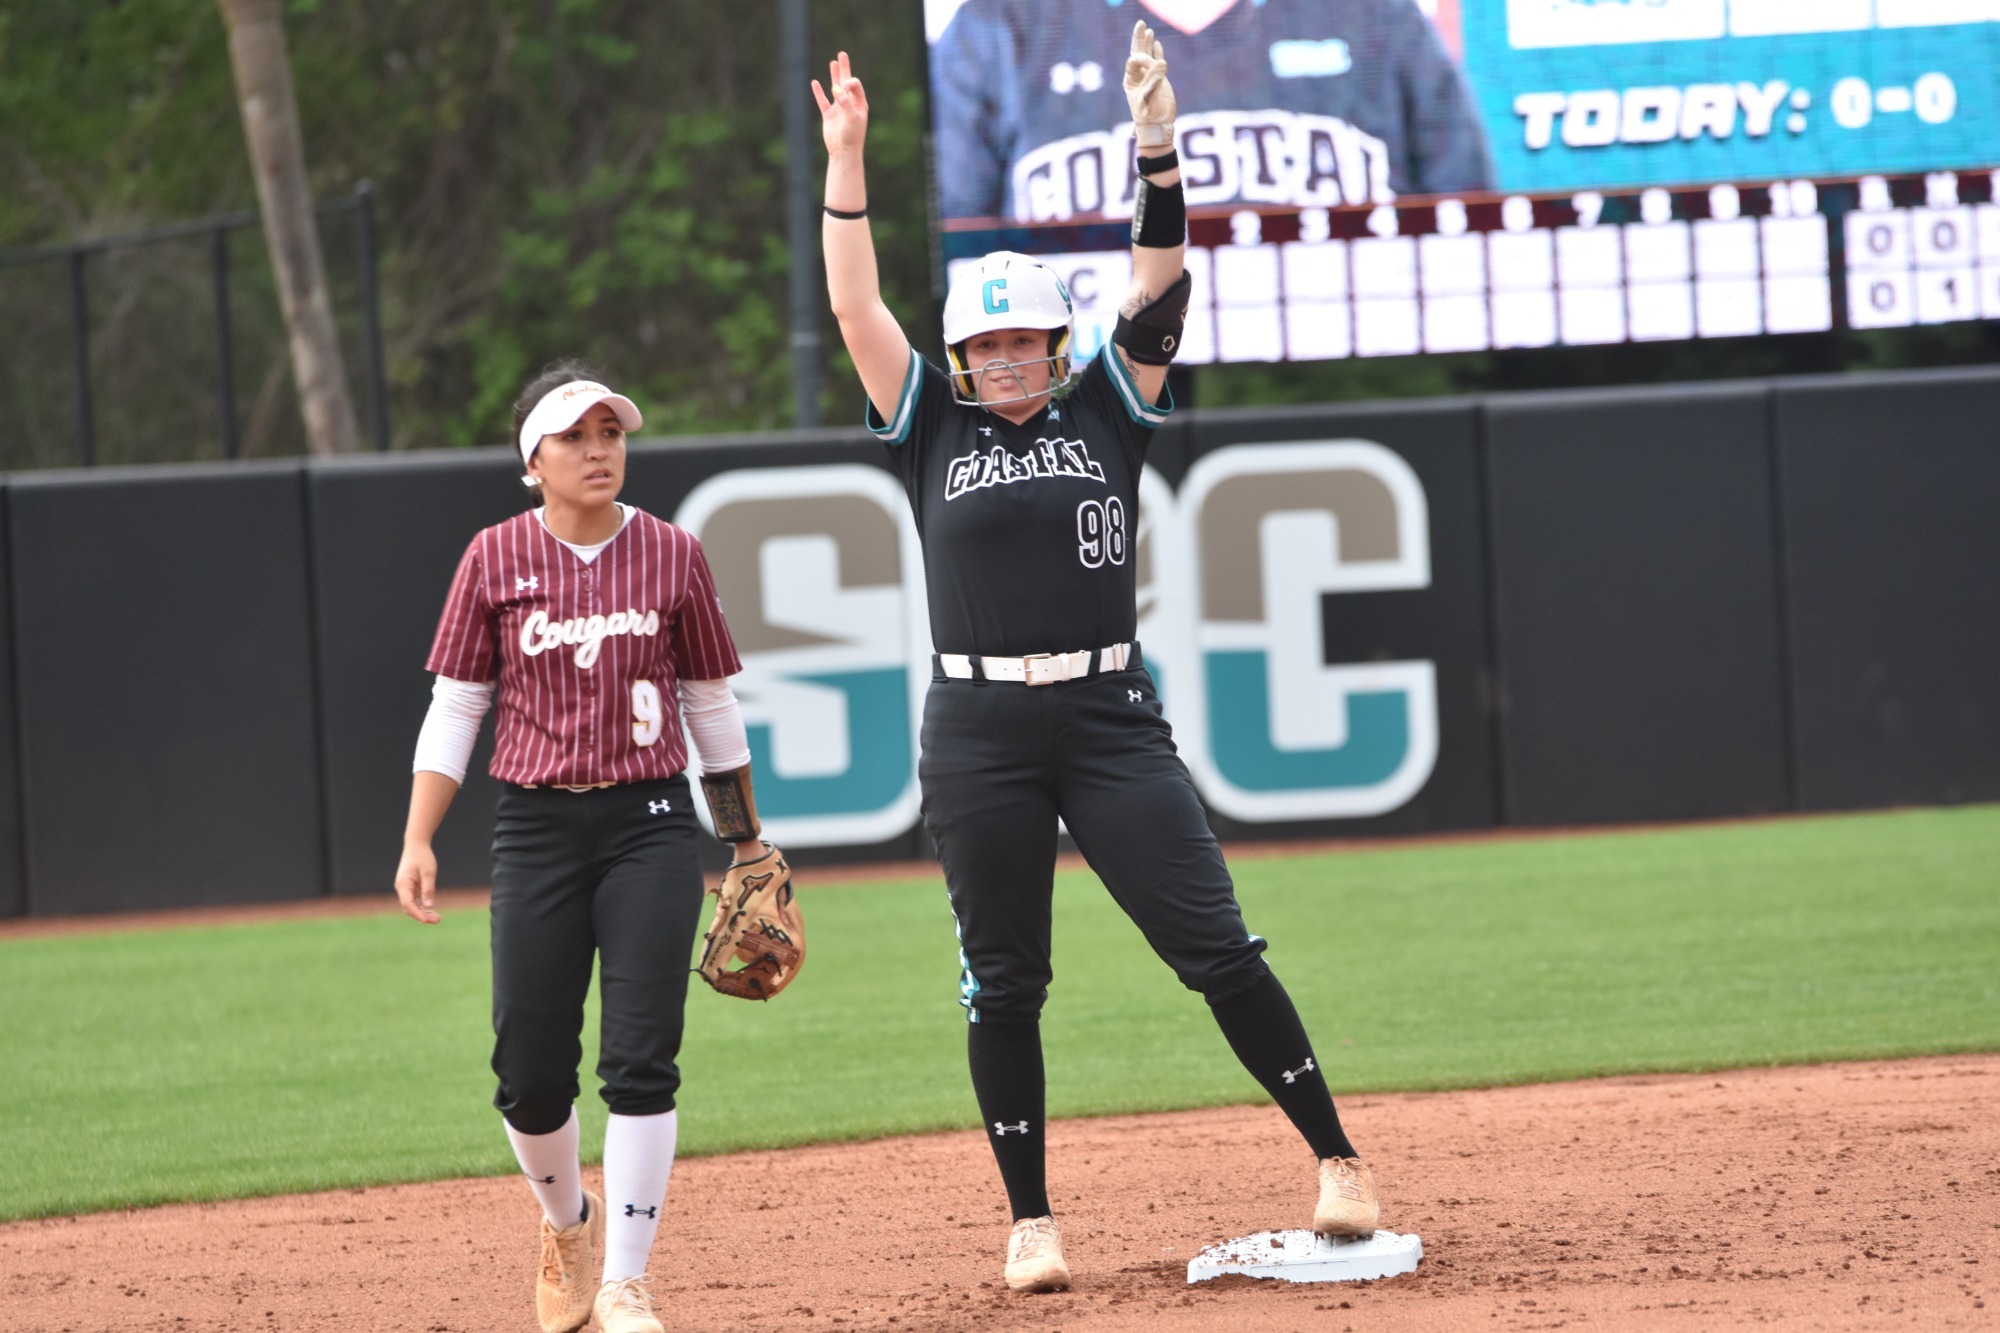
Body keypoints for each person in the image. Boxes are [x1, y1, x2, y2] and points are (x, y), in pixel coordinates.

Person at [816, 24, 1383, 1294]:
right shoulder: (926, 427)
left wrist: (1157, 146)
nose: (1007, 357)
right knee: (1002, 981)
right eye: (988, 343)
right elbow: (855, 302)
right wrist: (845, 164)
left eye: (1025, 339)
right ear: (961, 355)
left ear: (1055, 344)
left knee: (1214, 944)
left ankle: (1338, 1160)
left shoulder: (1103, 407)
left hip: (1106, 708)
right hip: (976, 730)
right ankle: (1031, 1221)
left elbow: (1161, 275)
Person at [392, 362, 783, 1333]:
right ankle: (568, 1223)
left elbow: (707, 702)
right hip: (532, 825)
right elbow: (458, 705)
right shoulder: (491, 557)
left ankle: (625, 1278)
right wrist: (417, 835)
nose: (598, 448)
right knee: (528, 1072)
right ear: (533, 460)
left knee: (641, 1059)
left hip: (648, 823)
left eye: (611, 432)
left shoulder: (670, 553)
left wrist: (746, 843)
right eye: (574, 435)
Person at [933, 0, 1492, 223]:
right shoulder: (1000, 25)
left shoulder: (1374, 17)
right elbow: (952, 259)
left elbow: (1475, 230)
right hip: (1085, 403)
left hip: (1340, 380)